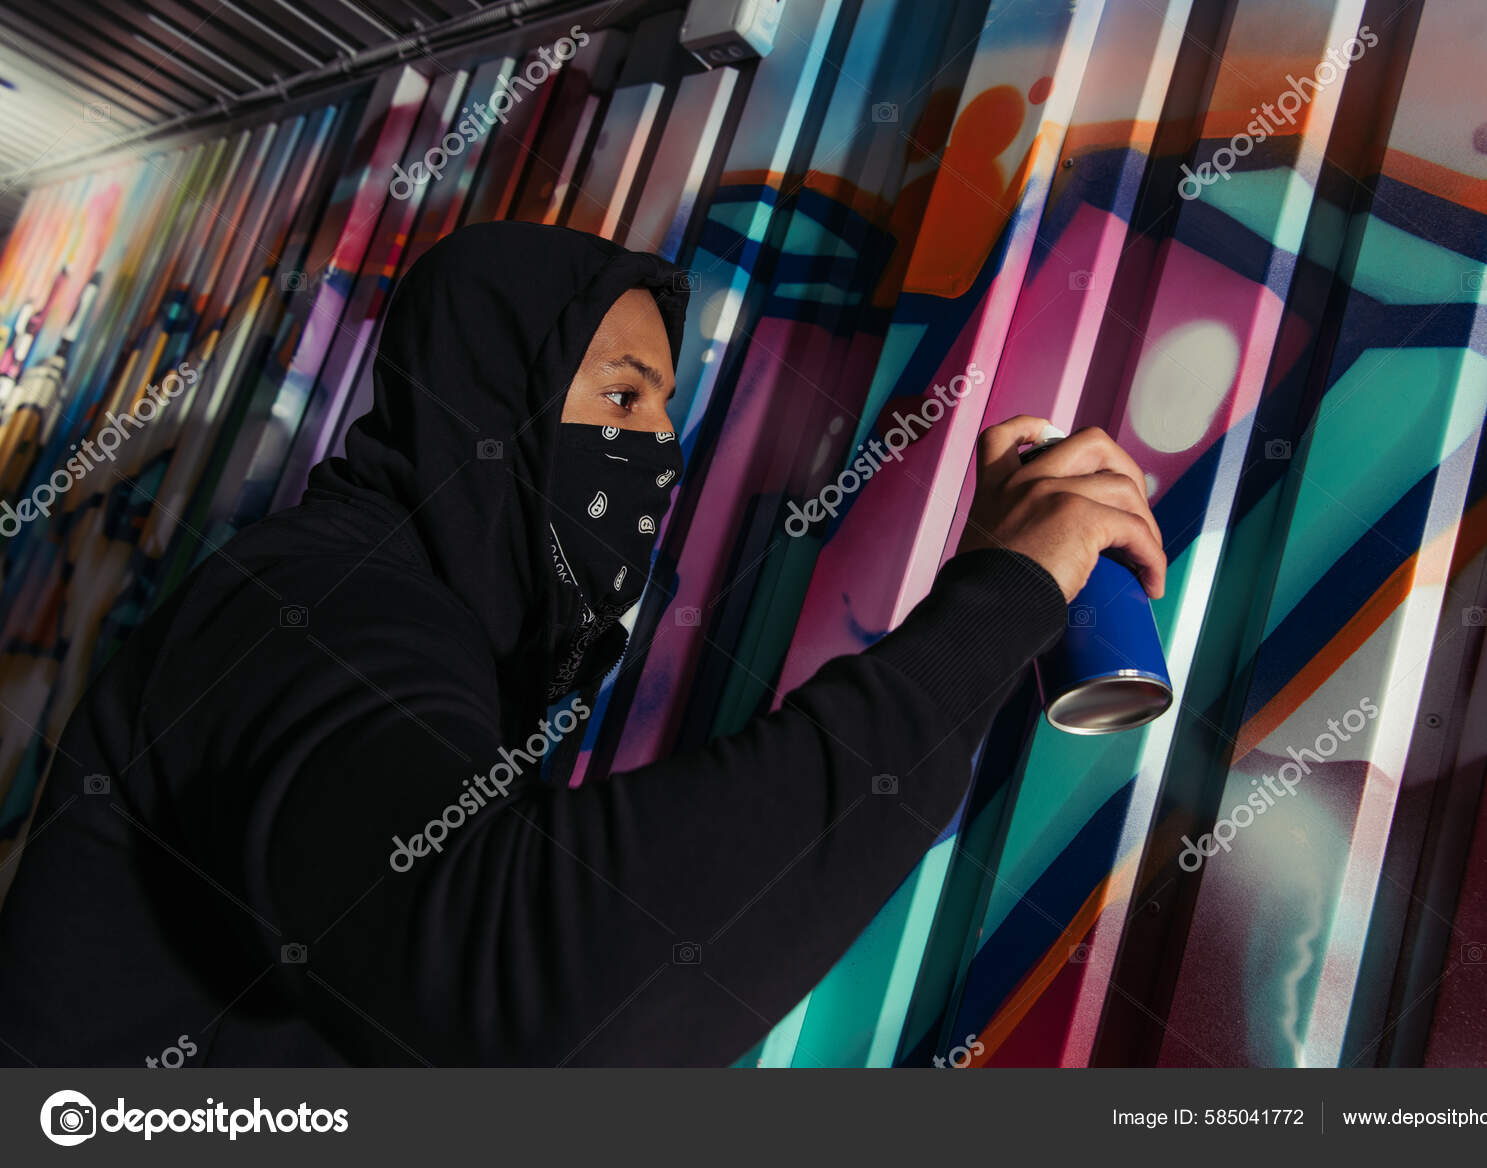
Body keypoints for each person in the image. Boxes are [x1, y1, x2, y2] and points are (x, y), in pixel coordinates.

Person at [0, 222, 1165, 1067]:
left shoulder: (433, 634)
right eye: (619, 401)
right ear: (488, 413)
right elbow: (531, 980)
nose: (658, 455)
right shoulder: (316, 614)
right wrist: (999, 600)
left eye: (665, 414)